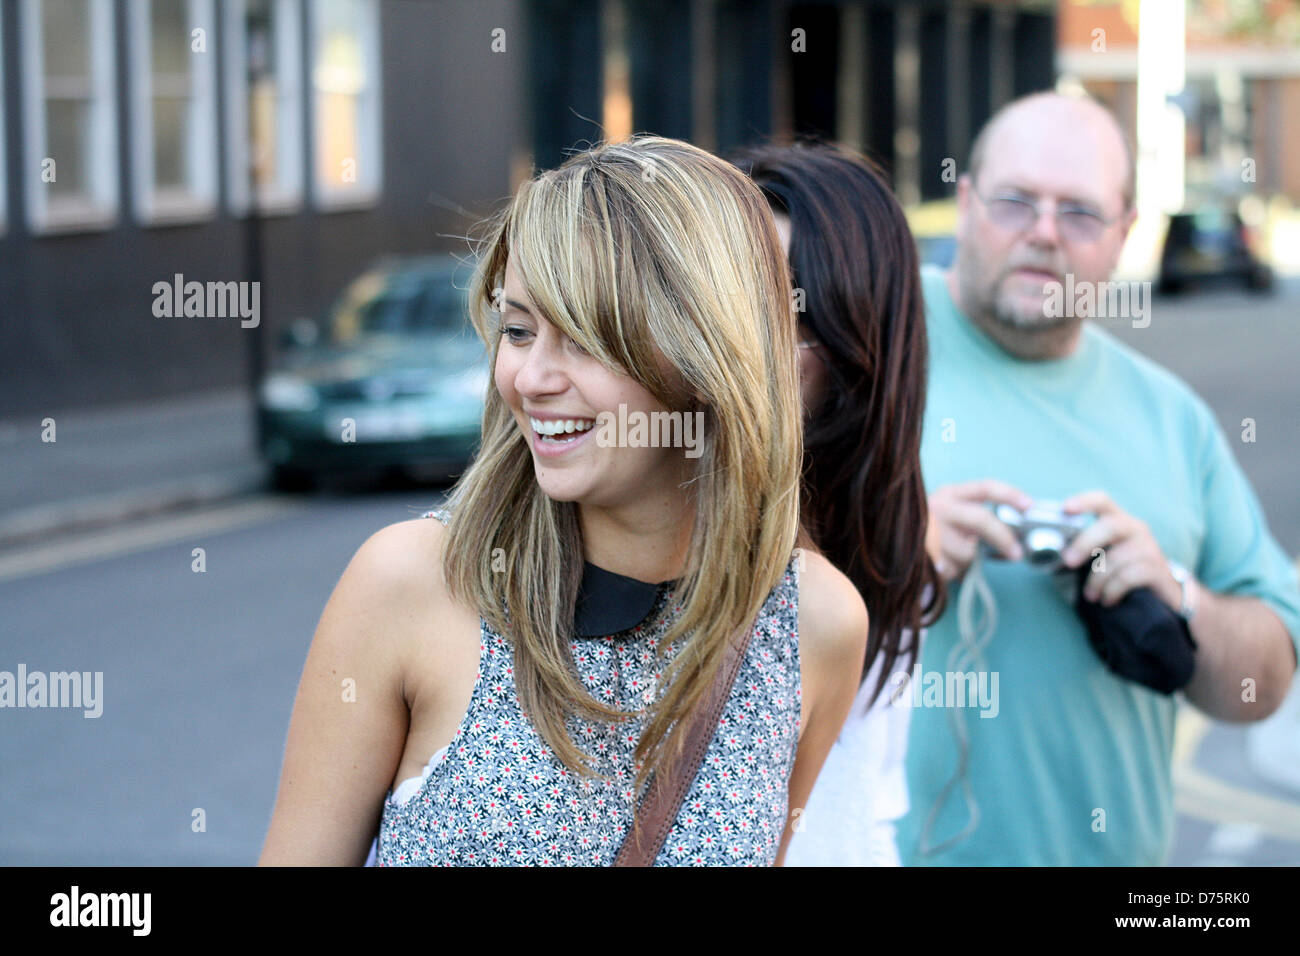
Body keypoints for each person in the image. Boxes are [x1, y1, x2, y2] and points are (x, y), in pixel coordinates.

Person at [257, 135, 868, 867]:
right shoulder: (414, 582)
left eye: (581, 337)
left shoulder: (815, 624)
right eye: (518, 330)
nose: (532, 376)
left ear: (707, 352)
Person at [896, 91, 1300, 865]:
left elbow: (1267, 679)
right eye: (1016, 202)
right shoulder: (863, 339)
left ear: (1126, 235)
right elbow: (716, 563)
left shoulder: (1171, 418)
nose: (1044, 234)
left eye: (1079, 213)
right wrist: (889, 560)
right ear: (966, 201)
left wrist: (1178, 592)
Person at [730, 141, 942, 865]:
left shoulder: (877, 554)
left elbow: (868, 816)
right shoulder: (635, 544)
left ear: (857, 340)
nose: (742, 340)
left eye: (785, 305)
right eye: (727, 294)